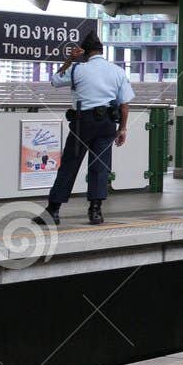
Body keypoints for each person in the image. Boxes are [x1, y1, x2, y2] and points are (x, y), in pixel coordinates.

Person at [43, 32, 133, 225]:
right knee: (100, 166)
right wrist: (122, 129)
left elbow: (54, 80)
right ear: (102, 51)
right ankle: (95, 212)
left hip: (82, 123)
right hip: (107, 124)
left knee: (70, 164)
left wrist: (69, 59)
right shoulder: (117, 71)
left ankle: (53, 210)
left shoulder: (77, 69)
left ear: (85, 53)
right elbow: (124, 105)